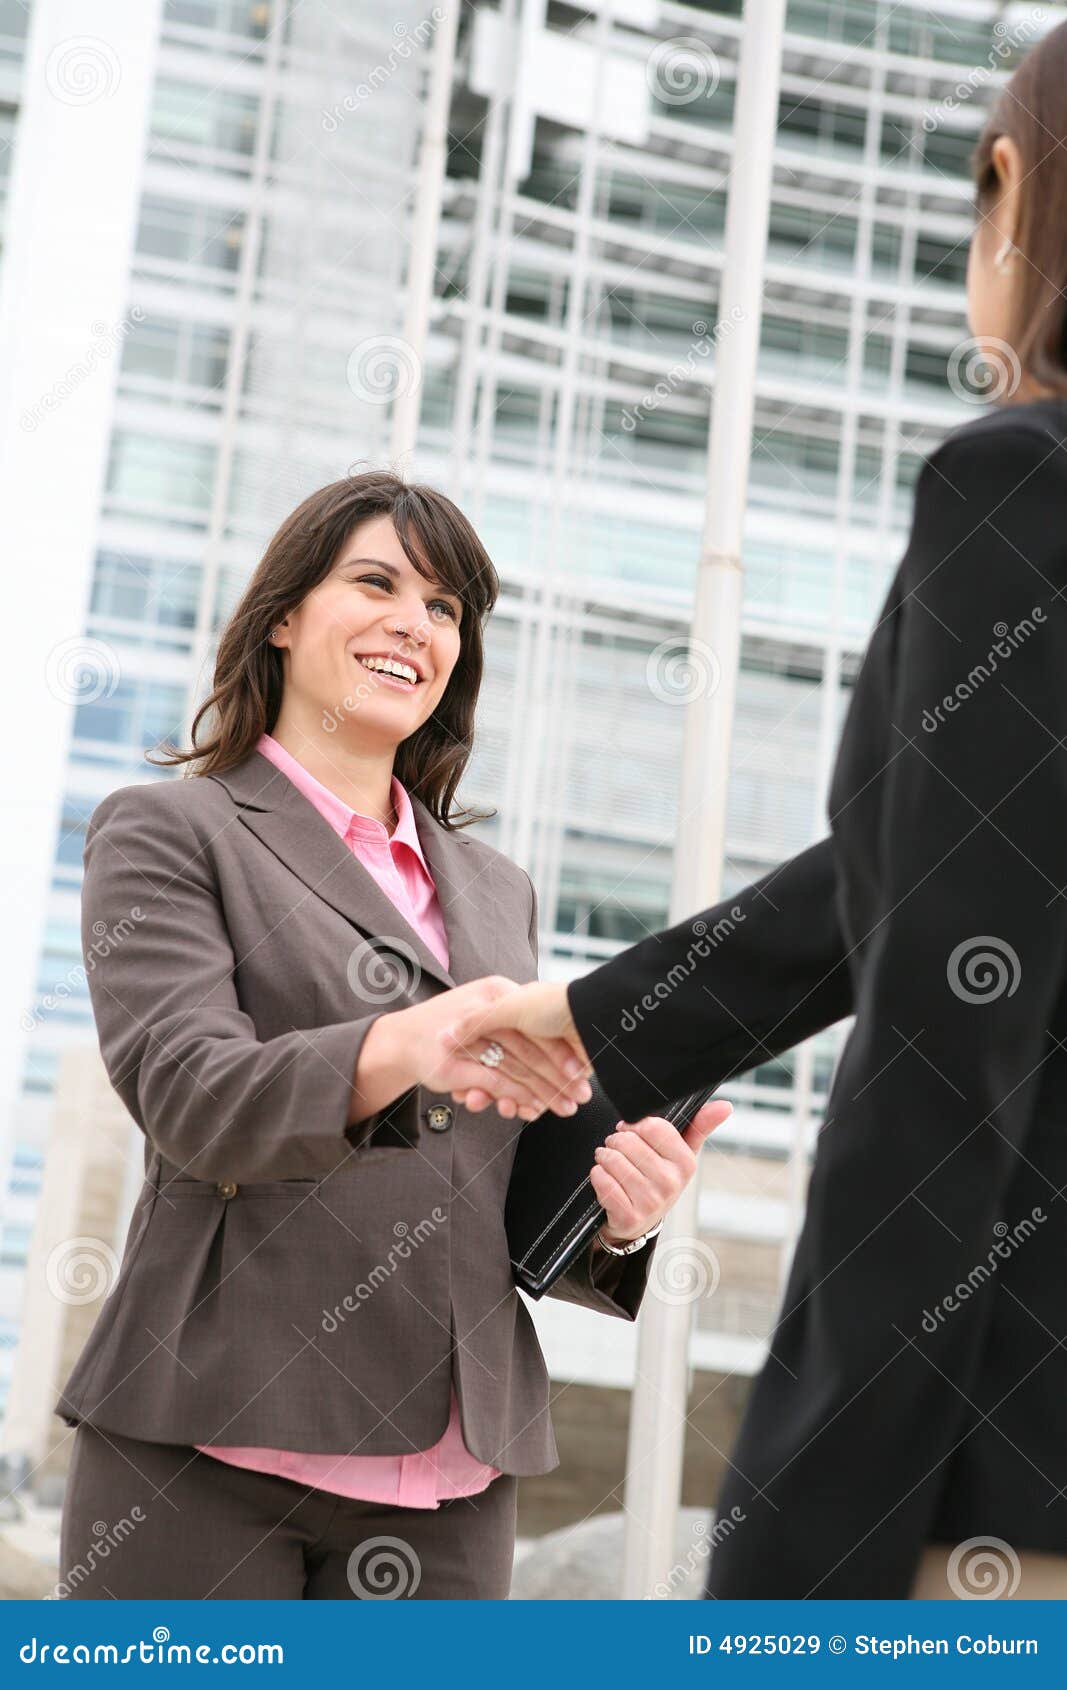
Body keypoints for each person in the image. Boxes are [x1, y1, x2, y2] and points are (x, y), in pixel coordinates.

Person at [440, 22, 1067, 1600]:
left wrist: (802, 1532)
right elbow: (918, 869)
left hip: (997, 1477)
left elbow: (948, 1020)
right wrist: (596, 1018)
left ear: (1011, 191)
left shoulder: (1019, 482)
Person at [55, 472, 728, 1599]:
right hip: (209, 1443)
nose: (412, 624)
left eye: (445, 609)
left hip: (450, 1476)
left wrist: (610, 1211)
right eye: (375, 582)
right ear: (282, 614)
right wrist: (406, 1042)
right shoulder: (173, 830)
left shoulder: (492, 886)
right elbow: (190, 1095)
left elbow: (486, 1169)